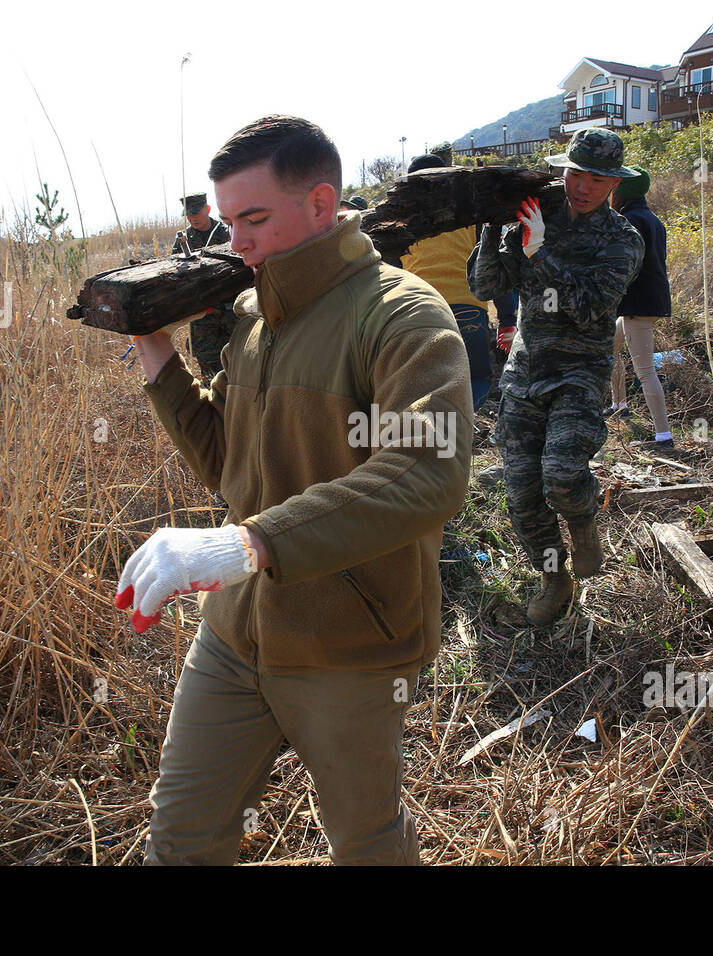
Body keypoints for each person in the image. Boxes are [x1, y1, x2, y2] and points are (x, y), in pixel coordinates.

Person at [119, 115, 474, 865]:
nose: (234, 242)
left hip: (347, 642)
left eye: (253, 219)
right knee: (181, 834)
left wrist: (250, 542)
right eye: (226, 222)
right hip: (235, 633)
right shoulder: (254, 317)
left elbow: (426, 473)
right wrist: (159, 363)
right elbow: (236, 469)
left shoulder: (403, 315)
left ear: (320, 204)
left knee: (367, 842)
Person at [468, 128, 644, 626]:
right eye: (575, 173)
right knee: (523, 495)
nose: (583, 186)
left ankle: (584, 525)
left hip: (579, 374)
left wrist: (541, 254)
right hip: (525, 373)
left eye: (597, 177)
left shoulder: (621, 240)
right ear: (563, 171)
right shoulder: (534, 218)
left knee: (563, 476)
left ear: (613, 183)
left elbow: (591, 308)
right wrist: (492, 229)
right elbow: (485, 284)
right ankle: (554, 579)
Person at [399, 153, 494, 411]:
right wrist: (507, 317)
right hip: (468, 307)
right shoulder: (469, 215)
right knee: (475, 377)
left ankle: (435, 436)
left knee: (424, 383)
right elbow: (489, 261)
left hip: (420, 310)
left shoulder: (400, 218)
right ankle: (470, 433)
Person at [606, 167, 673, 449]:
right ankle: (619, 404)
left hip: (638, 304)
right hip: (650, 301)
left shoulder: (629, 220)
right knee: (611, 346)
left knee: (645, 372)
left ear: (621, 192)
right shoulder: (652, 219)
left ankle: (663, 436)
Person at [172, 192, 236, 382]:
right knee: (207, 363)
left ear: (207, 210)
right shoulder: (183, 240)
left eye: (196, 213)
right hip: (203, 314)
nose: (193, 218)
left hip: (230, 310)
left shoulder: (225, 232)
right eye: (189, 215)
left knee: (237, 357)